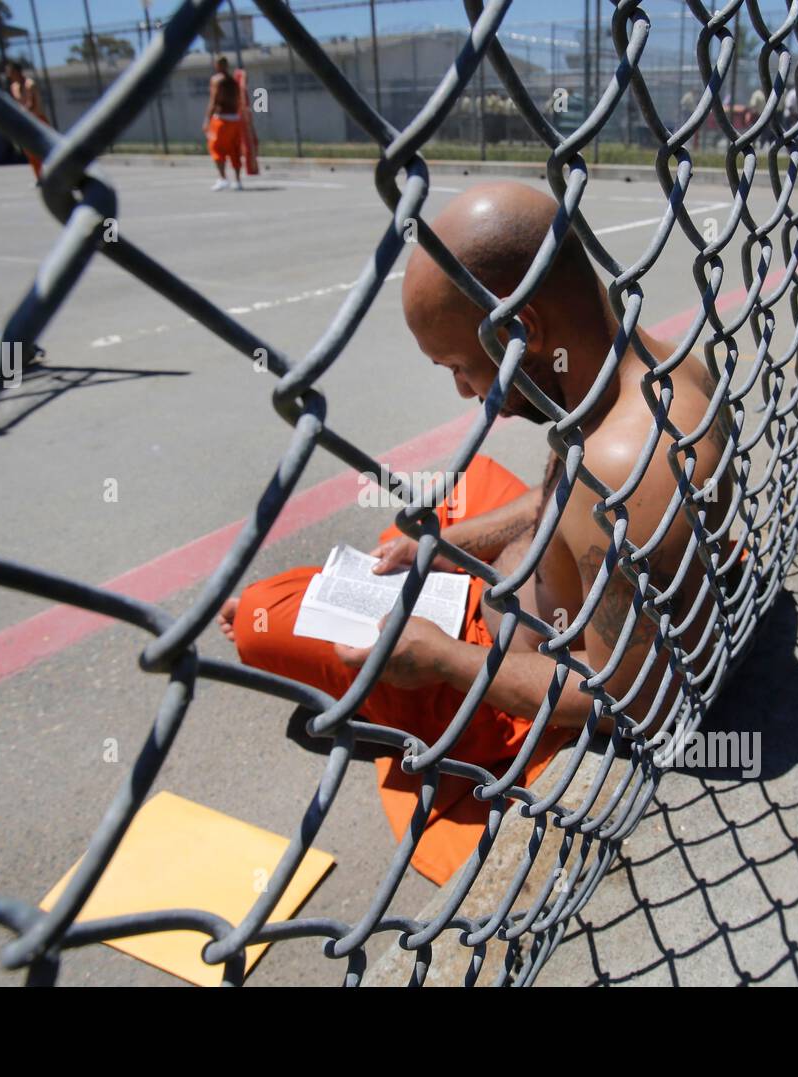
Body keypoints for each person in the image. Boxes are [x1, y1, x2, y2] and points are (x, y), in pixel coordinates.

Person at [216, 182, 735, 885]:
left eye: (460, 366)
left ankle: (422, 663)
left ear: (525, 330)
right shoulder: (658, 361)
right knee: (437, 506)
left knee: (256, 616)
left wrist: (445, 661)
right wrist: (444, 545)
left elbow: (632, 699)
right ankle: (437, 575)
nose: (464, 391)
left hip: (516, 676)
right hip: (536, 581)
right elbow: (558, 499)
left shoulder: (624, 472)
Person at [5, 60, 50, 184]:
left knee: (48, 150)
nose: (9, 74)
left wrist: (20, 113)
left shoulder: (30, 84)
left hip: (38, 120)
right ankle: (40, 178)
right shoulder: (13, 87)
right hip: (25, 122)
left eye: (11, 72)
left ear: (17, 72)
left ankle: (65, 175)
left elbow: (31, 104)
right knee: (29, 151)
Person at [203, 55, 243, 191]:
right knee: (235, 149)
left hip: (221, 119)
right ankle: (237, 181)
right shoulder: (234, 81)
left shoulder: (216, 80)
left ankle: (222, 178)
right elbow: (238, 100)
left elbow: (213, 101)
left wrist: (207, 120)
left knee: (216, 149)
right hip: (235, 119)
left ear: (218, 65)